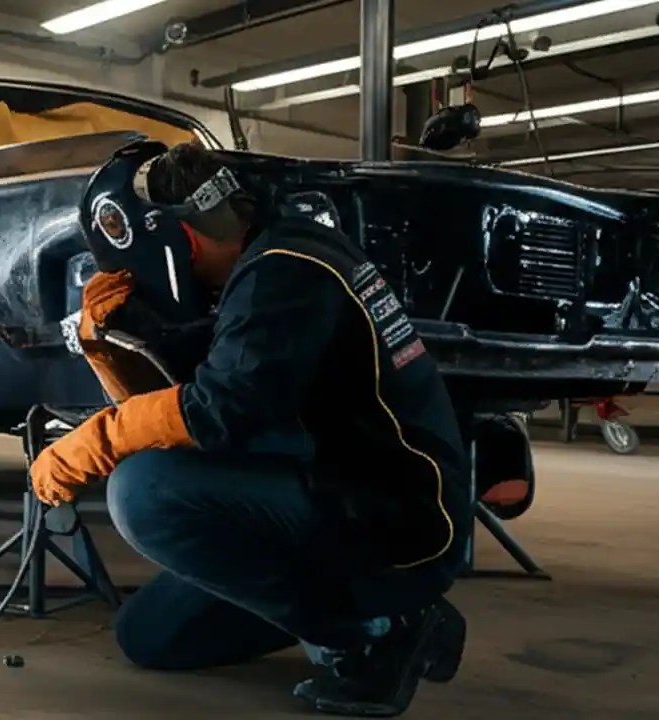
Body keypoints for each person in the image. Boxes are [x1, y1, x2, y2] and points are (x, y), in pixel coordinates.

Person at [30, 140, 475, 717]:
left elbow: (218, 413)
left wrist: (101, 436)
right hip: (344, 483)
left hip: (391, 519)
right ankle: (384, 613)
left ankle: (379, 630)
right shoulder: (283, 249)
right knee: (148, 636)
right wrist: (112, 348)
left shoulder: (285, 273)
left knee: (143, 493)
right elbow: (220, 393)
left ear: (179, 241)